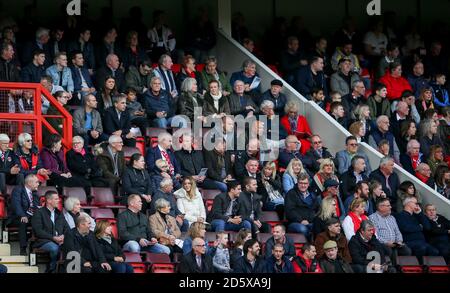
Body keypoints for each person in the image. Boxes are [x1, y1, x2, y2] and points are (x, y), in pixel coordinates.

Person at [30, 190, 69, 272]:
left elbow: (67, 228)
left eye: (58, 199)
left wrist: (63, 236)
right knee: (54, 248)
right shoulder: (39, 213)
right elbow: (38, 231)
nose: (58, 201)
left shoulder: (59, 213)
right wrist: (53, 238)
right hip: (43, 241)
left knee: (73, 246)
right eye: (56, 199)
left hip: (60, 240)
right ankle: (51, 269)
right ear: (48, 200)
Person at [369, 198, 412, 264]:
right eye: (388, 206)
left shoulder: (391, 218)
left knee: (407, 250)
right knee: (391, 250)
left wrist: (399, 241)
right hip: (382, 244)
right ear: (381, 207)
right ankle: (393, 269)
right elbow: (375, 235)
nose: (391, 207)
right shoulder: (372, 218)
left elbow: (398, 232)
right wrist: (386, 243)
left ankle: (402, 269)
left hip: (395, 244)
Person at [285, 173, 320, 239]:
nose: (303, 185)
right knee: (303, 229)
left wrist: (311, 220)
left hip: (310, 222)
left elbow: (317, 210)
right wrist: (301, 221)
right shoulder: (291, 193)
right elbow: (290, 211)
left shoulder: (313, 195)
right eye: (301, 183)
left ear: (308, 184)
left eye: (305, 183)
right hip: (295, 222)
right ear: (297, 183)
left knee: (319, 227)